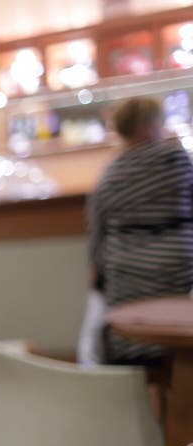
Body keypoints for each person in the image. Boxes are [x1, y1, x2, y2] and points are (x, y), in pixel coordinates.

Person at [87, 97, 193, 365]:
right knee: (178, 343)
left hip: (126, 274)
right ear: (148, 126)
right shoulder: (174, 158)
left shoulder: (109, 172)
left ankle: (147, 394)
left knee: (135, 345)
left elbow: (97, 234)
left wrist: (97, 276)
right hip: (178, 267)